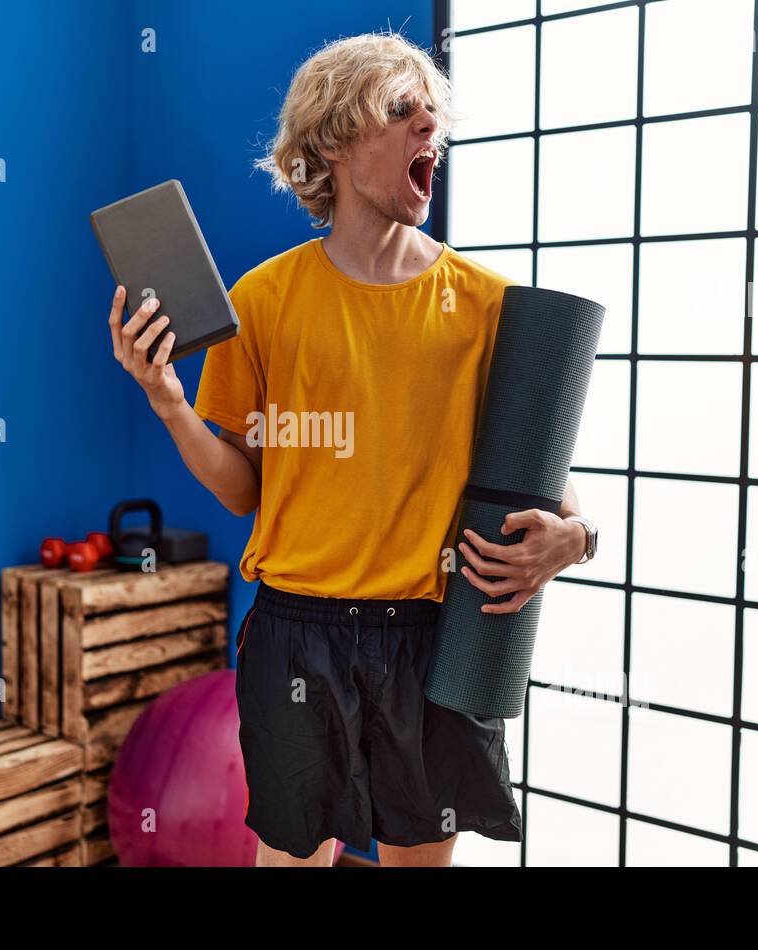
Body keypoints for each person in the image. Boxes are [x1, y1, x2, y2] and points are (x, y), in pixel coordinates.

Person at [107, 31, 595, 867]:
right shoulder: (261, 301)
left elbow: (546, 480)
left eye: (432, 119)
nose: (427, 134)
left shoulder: (487, 305)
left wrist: (573, 540)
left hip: (432, 635)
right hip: (298, 634)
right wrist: (168, 403)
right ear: (332, 142)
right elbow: (240, 487)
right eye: (402, 114)